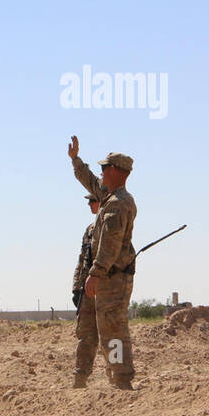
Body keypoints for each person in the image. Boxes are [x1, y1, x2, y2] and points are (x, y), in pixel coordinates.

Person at [67, 136, 137, 389]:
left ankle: (121, 380)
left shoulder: (118, 204)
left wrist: (95, 273)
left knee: (113, 330)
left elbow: (110, 244)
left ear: (116, 171)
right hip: (102, 276)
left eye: (105, 168)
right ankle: (82, 380)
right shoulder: (109, 197)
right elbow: (89, 180)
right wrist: (75, 160)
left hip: (112, 278)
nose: (101, 172)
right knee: (89, 330)